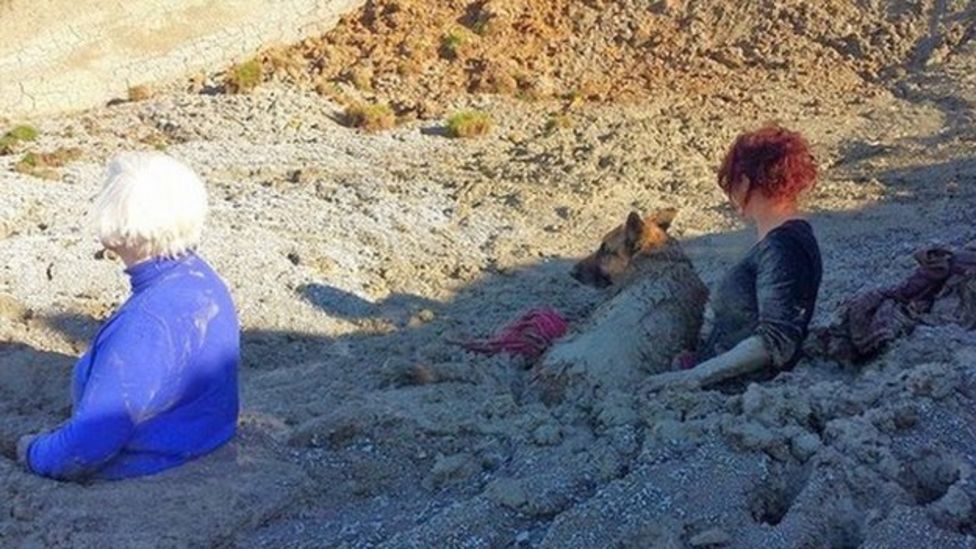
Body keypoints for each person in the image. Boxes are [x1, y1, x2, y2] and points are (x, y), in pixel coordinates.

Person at [16, 152, 240, 481]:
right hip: (205, 437)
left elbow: (84, 447)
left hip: (153, 464)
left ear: (118, 227)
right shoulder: (200, 278)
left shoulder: (146, 323)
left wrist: (33, 452)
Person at [648, 125, 823, 390]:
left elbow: (774, 341)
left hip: (740, 390)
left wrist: (692, 376)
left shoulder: (783, 246)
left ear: (743, 181)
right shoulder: (783, 240)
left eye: (731, 185)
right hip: (726, 379)